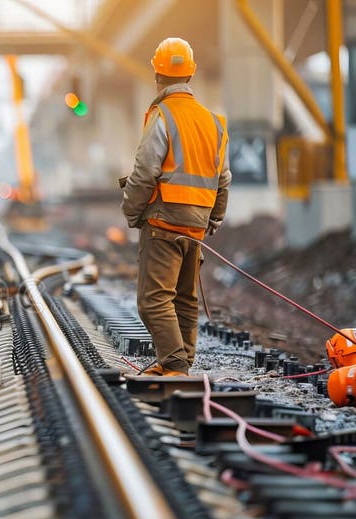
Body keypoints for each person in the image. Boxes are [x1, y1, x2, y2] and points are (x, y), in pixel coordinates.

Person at [121, 37, 231, 376]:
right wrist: (214, 217)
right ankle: (180, 364)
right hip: (195, 226)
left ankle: (174, 365)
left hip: (164, 221)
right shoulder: (213, 122)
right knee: (184, 299)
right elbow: (222, 178)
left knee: (153, 300)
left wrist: (131, 211)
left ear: (157, 74)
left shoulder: (162, 116)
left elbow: (144, 173)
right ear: (191, 75)